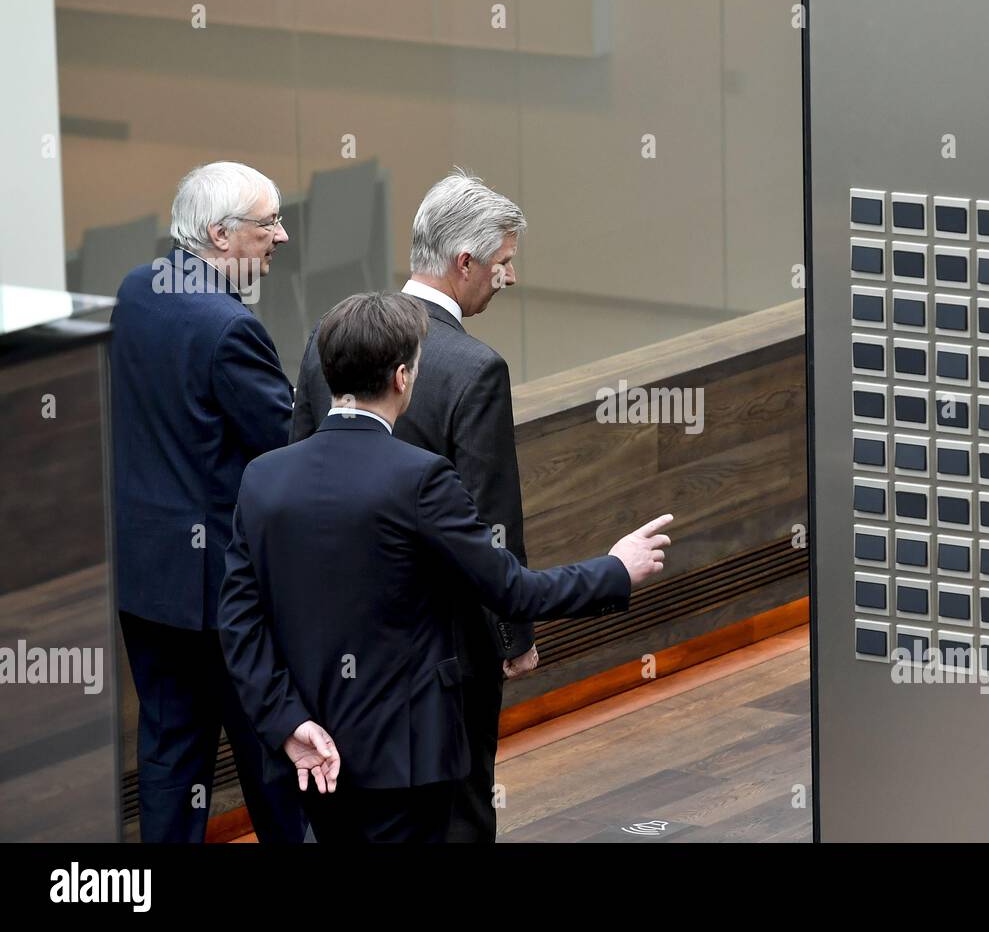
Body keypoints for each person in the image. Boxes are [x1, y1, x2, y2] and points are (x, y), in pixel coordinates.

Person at [219, 291, 672, 842]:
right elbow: (509, 589)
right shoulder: (420, 478)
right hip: (405, 757)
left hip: (307, 751)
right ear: (403, 377)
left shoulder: (262, 478)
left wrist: (286, 723)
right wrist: (616, 569)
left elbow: (239, 621)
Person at [291, 168, 535, 841]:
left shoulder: (329, 336)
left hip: (333, 642)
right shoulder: (474, 368)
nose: (506, 279)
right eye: (503, 264)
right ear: (464, 263)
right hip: (441, 658)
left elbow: (300, 467)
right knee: (456, 814)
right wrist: (515, 636)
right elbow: (490, 521)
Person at [110, 161, 308, 842]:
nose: (280, 236)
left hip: (145, 580)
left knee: (170, 751)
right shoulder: (230, 328)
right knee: (271, 750)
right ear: (221, 236)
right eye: (268, 223)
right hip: (223, 594)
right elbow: (284, 447)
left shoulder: (137, 291)